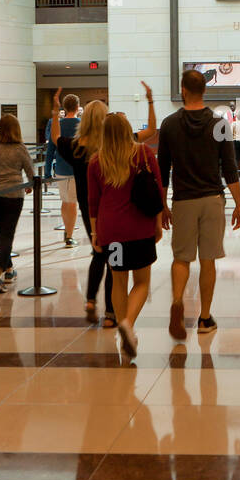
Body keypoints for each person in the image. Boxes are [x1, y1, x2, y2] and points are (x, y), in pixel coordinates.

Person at [158, 69, 240, 339]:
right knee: (208, 261)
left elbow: (163, 170)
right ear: (205, 91)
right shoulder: (219, 124)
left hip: (183, 200)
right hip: (211, 199)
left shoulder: (170, 124)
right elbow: (230, 169)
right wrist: (239, 204)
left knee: (181, 258)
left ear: (183, 90)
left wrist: (163, 205)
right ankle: (205, 318)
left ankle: (176, 302)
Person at [88, 112, 165, 358]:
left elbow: (93, 202)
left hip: (111, 230)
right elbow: (158, 189)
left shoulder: (96, 161)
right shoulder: (143, 153)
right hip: (139, 228)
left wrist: (94, 232)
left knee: (118, 281)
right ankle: (127, 324)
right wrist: (158, 222)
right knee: (141, 282)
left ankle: (125, 339)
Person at [52, 93, 115, 327]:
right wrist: (149, 102)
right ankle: (110, 312)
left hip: (89, 209)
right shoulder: (111, 145)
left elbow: (56, 137)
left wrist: (54, 113)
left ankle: (90, 300)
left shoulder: (76, 147)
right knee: (112, 259)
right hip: (111, 207)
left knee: (98, 253)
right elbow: (148, 133)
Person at [0, 113, 36, 293]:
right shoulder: (20, 148)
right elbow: (31, 173)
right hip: (14, 196)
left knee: (3, 233)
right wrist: (29, 185)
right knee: (7, 234)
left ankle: (9, 270)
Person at [46, 94, 82, 247]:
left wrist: (47, 172)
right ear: (77, 106)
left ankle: (67, 230)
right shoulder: (82, 124)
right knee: (72, 203)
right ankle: (69, 235)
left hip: (60, 168)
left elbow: (50, 150)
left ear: (64, 107)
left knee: (65, 200)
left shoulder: (57, 124)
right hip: (76, 169)